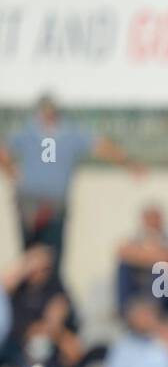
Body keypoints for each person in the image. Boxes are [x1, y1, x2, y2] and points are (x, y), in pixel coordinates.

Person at [0, 94, 144, 270]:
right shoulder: (27, 131)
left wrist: (128, 163)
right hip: (29, 202)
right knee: (30, 256)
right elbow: (3, 150)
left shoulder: (69, 133)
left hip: (55, 204)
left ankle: (49, 293)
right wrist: (12, 173)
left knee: (52, 256)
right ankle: (29, 295)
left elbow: (100, 145)